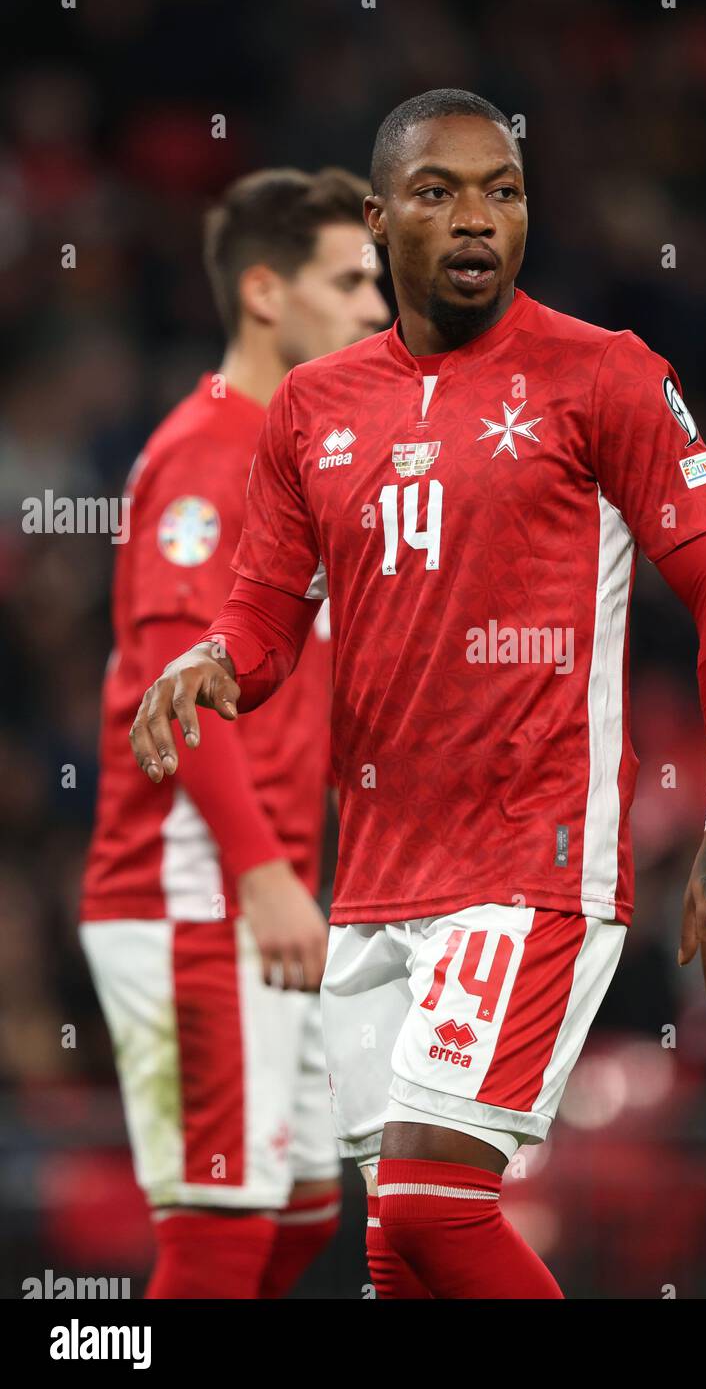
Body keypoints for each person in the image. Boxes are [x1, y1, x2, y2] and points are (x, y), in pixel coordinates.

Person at [129, 88, 706, 1300]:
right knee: (395, 1254)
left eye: (504, 190)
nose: (478, 218)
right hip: (375, 881)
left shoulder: (605, 376)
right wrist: (212, 657)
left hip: (531, 863)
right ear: (379, 221)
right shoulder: (314, 410)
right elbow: (266, 616)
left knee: (436, 1206)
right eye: (439, 193)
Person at [80, 167, 389, 1298]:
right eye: (349, 281)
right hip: (190, 896)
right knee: (216, 1234)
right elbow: (182, 695)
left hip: (258, 891)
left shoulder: (293, 452)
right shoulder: (213, 456)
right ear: (266, 292)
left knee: (303, 1204)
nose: (375, 309)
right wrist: (261, 875)